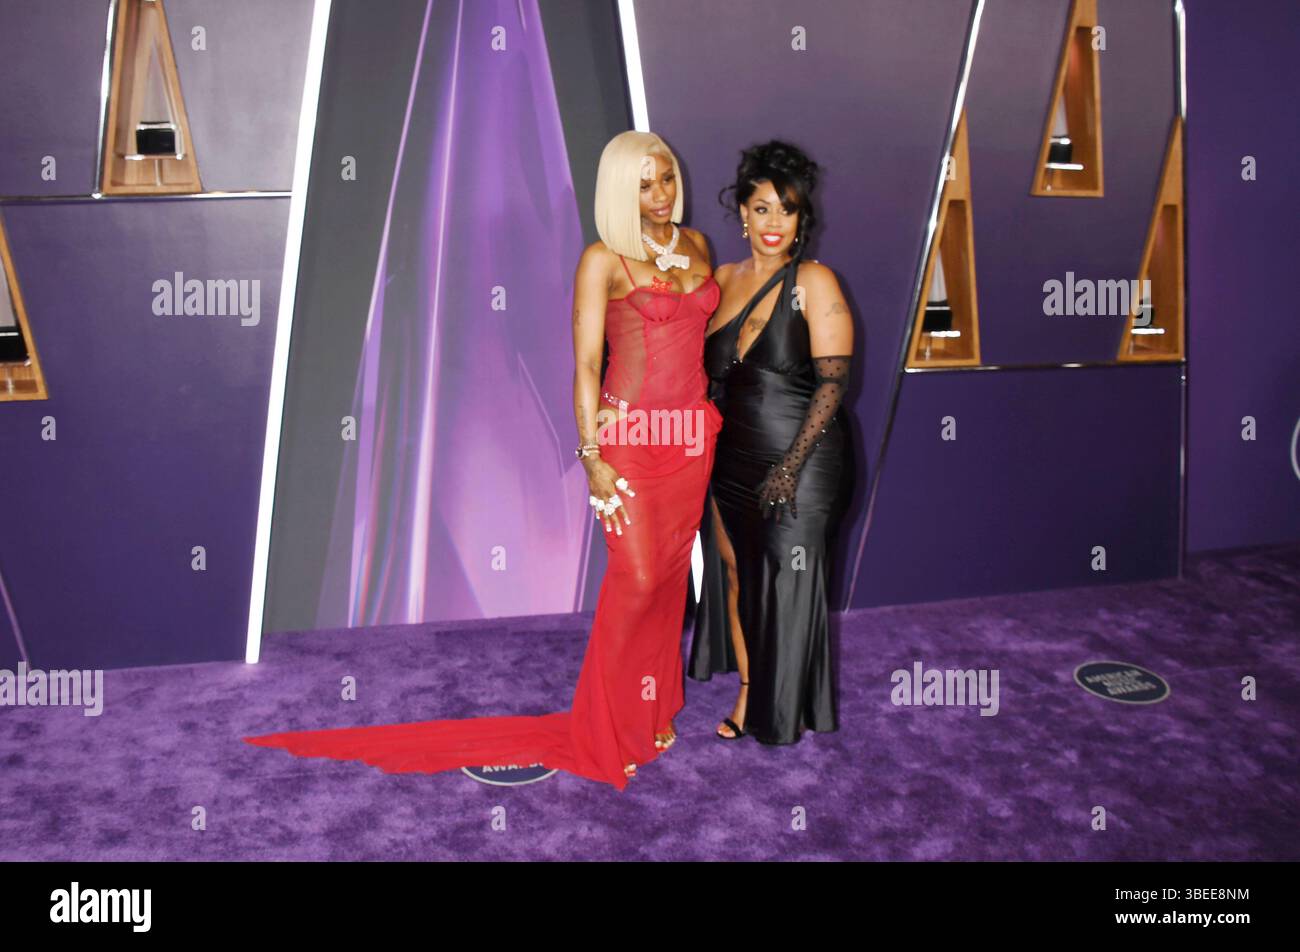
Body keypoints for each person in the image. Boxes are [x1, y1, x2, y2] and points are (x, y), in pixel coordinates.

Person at [244, 131, 721, 790]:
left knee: (669, 579)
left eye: (666, 178)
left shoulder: (698, 247)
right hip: (631, 445)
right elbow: (585, 363)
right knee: (635, 582)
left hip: (691, 438)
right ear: (619, 190)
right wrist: (591, 456)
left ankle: (653, 709)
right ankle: (605, 730)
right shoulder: (602, 261)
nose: (661, 194)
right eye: (644, 184)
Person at [687, 140, 853, 745]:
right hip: (730, 456)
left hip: (804, 459)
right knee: (734, 575)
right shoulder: (722, 280)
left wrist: (789, 467)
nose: (774, 223)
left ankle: (784, 712)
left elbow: (832, 385)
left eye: (786, 210)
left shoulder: (813, 280)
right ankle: (753, 691)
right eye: (762, 209)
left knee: (789, 577)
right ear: (742, 215)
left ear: (802, 217)